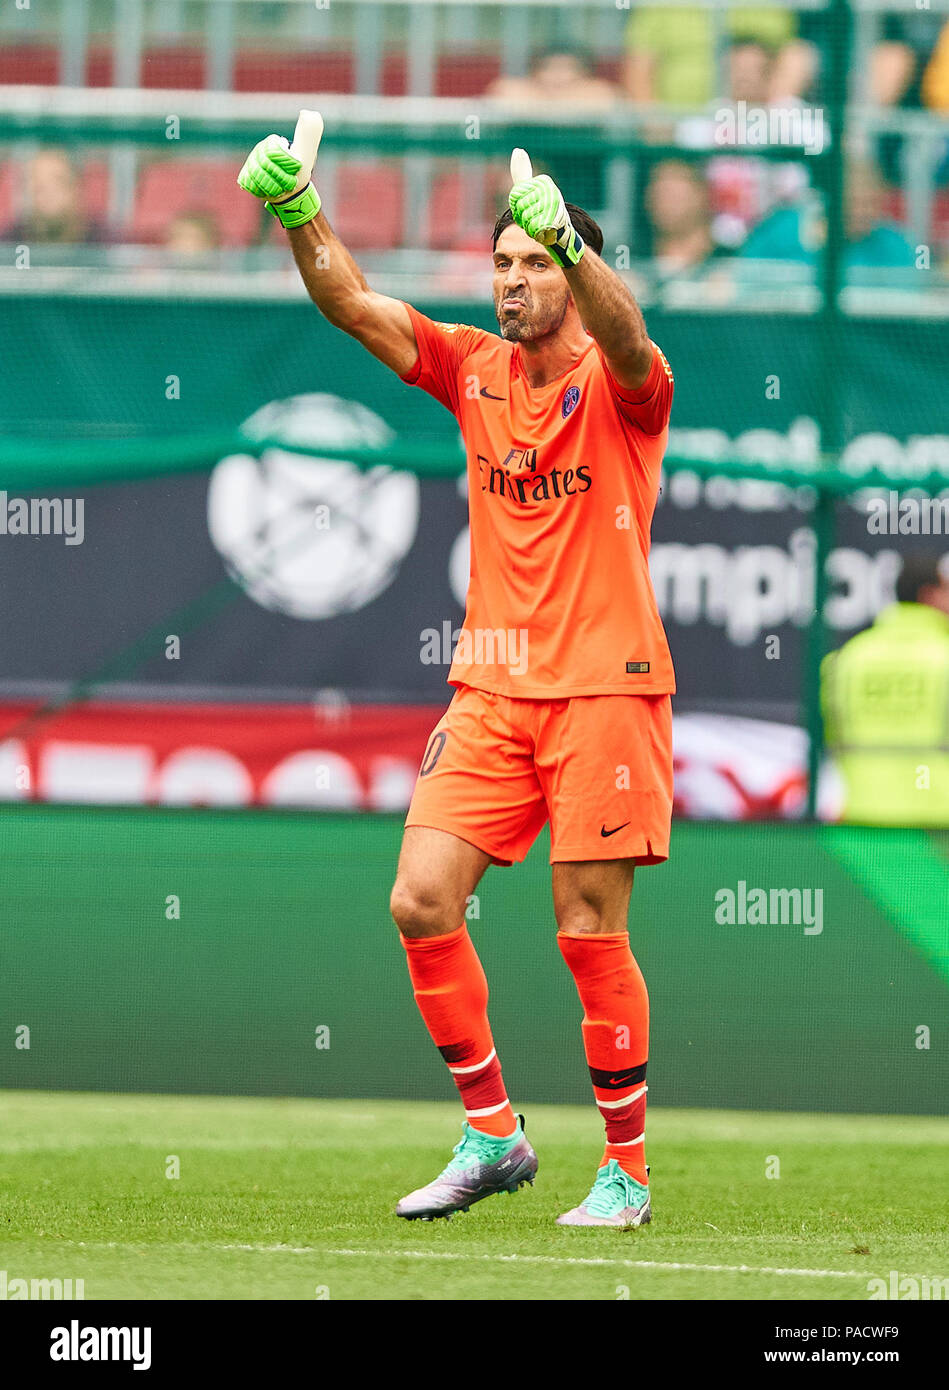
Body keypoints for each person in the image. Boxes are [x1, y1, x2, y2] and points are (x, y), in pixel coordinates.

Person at [239, 125, 676, 1228]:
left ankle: (623, 1172)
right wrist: (302, 215)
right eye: (506, 263)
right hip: (489, 689)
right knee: (420, 900)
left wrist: (572, 244)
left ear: (575, 274)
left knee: (585, 928)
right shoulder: (473, 370)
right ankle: (493, 1133)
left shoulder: (625, 387)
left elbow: (628, 336)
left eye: (535, 263)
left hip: (606, 688)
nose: (514, 280)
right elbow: (355, 306)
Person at [822, 551, 949, 826]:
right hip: (939, 828)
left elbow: (831, 736)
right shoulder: (944, 657)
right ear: (929, 596)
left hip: (865, 827)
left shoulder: (849, 658)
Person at [1, 147, 105, 246]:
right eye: (36, 180)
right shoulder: (9, 244)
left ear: (77, 186)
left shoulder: (103, 245)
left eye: (56, 180)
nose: (46, 191)